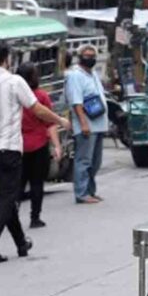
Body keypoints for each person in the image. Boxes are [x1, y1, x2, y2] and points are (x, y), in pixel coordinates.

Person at [0, 42, 70, 263]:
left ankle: (21, 243)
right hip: (9, 148)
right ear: (7, 59)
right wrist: (60, 119)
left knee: (5, 195)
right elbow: (37, 108)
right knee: (8, 196)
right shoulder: (14, 82)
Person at [17, 62, 63, 229]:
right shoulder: (41, 96)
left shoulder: (15, 97)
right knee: (37, 183)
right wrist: (57, 145)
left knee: (18, 184)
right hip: (39, 145)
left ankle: (12, 217)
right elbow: (50, 123)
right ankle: (35, 217)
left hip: (18, 146)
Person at [65, 46, 108, 204]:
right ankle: (81, 193)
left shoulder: (93, 74)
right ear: (80, 57)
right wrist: (83, 123)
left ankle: (90, 190)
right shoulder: (75, 76)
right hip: (87, 126)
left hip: (99, 124)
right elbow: (76, 102)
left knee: (95, 162)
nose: (90, 58)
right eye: (87, 55)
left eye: (93, 55)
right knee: (84, 160)